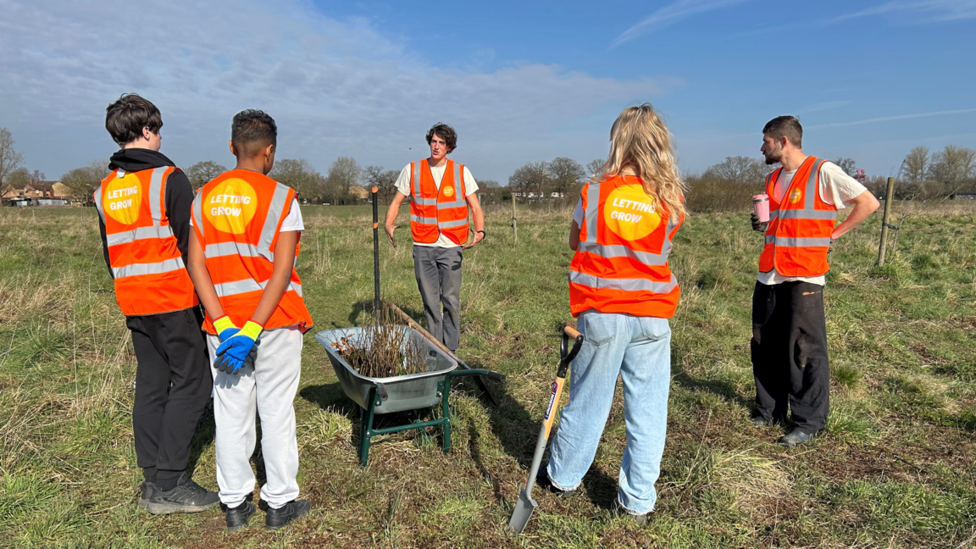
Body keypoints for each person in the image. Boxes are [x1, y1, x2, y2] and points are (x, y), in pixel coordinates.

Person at [541, 104, 686, 524]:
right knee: (649, 411)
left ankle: (563, 477)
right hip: (652, 317)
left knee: (589, 399)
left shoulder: (594, 192)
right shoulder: (669, 197)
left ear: (618, 141)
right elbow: (661, 246)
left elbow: (575, 241)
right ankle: (637, 501)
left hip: (603, 312)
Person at [187, 109, 314, 532]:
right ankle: (279, 503)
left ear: (231, 147)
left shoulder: (202, 196)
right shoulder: (283, 198)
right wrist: (253, 330)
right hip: (274, 322)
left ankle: (235, 504)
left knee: (230, 412)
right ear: (270, 151)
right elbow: (281, 272)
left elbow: (196, 264)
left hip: (222, 327)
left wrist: (224, 325)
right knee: (276, 409)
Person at [94, 94, 218, 514]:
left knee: (151, 383)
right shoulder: (169, 178)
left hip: (133, 300)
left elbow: (110, 254)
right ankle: (170, 482)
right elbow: (191, 247)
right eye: (158, 130)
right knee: (194, 382)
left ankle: (152, 477)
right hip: (172, 297)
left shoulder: (105, 190)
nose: (161, 137)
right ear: (146, 131)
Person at [750, 115, 879, 446]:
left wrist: (834, 234)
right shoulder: (772, 178)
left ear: (783, 141)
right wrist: (762, 224)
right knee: (765, 343)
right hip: (770, 273)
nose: (762, 147)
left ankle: (808, 421)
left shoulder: (822, 171)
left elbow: (868, 203)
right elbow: (781, 221)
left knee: (804, 348)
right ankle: (769, 411)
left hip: (804, 274)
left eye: (766, 141)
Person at [383, 123, 485, 352]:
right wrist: (388, 223)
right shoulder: (412, 170)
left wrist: (480, 231)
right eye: (433, 141)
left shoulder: (461, 171)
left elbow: (476, 207)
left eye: (442, 143)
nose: (436, 146)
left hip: (451, 246)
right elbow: (396, 202)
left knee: (450, 300)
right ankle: (437, 350)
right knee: (430, 301)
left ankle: (452, 350)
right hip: (423, 246)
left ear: (449, 147)